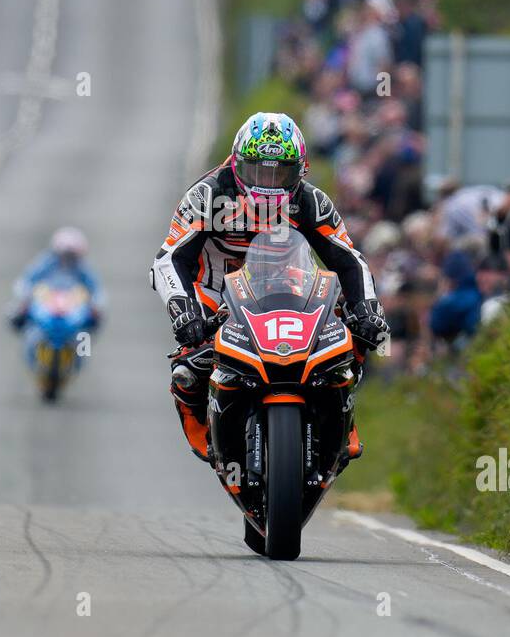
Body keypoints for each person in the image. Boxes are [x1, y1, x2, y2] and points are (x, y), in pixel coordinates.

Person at [150, 112, 389, 464]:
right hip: (215, 296)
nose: (268, 184)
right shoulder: (208, 194)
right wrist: (183, 309)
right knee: (190, 364)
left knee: (354, 329)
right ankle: (200, 422)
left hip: (286, 288)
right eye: (259, 171)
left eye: (280, 173)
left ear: (300, 171)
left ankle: (344, 419)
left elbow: (349, 260)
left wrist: (367, 307)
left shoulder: (311, 201)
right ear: (237, 164)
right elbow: (169, 258)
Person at [8, 227, 104, 330]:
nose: (68, 258)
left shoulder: (82, 268)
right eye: (65, 254)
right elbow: (27, 281)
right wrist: (25, 298)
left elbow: (95, 289)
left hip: (72, 309)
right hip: (46, 305)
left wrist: (95, 305)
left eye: (72, 255)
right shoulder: (46, 264)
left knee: (92, 324)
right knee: (17, 313)